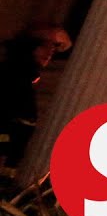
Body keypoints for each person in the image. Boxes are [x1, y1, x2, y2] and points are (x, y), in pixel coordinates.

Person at [0, 25, 72, 181]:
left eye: (52, 51)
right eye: (44, 48)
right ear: (29, 48)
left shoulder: (26, 80)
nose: (49, 54)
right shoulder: (12, 76)